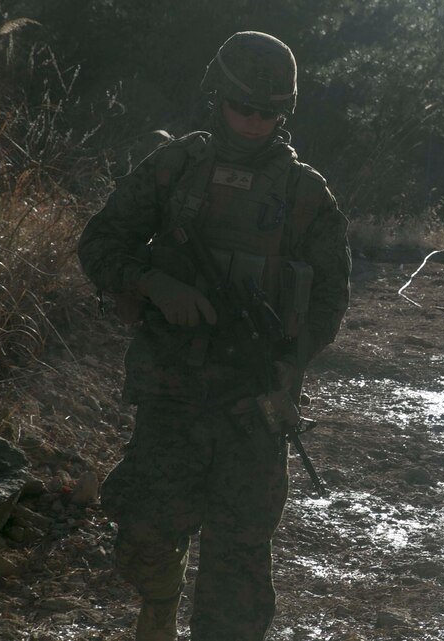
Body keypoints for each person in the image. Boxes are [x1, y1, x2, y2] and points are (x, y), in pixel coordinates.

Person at [77, 32, 351, 641]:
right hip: (171, 391)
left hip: (253, 403)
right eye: (242, 107)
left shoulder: (305, 194)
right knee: (144, 538)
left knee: (238, 571)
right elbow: (99, 242)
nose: (254, 122)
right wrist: (154, 284)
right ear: (216, 96)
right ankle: (160, 602)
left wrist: (292, 362)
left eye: (269, 112)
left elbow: (331, 298)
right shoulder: (176, 167)